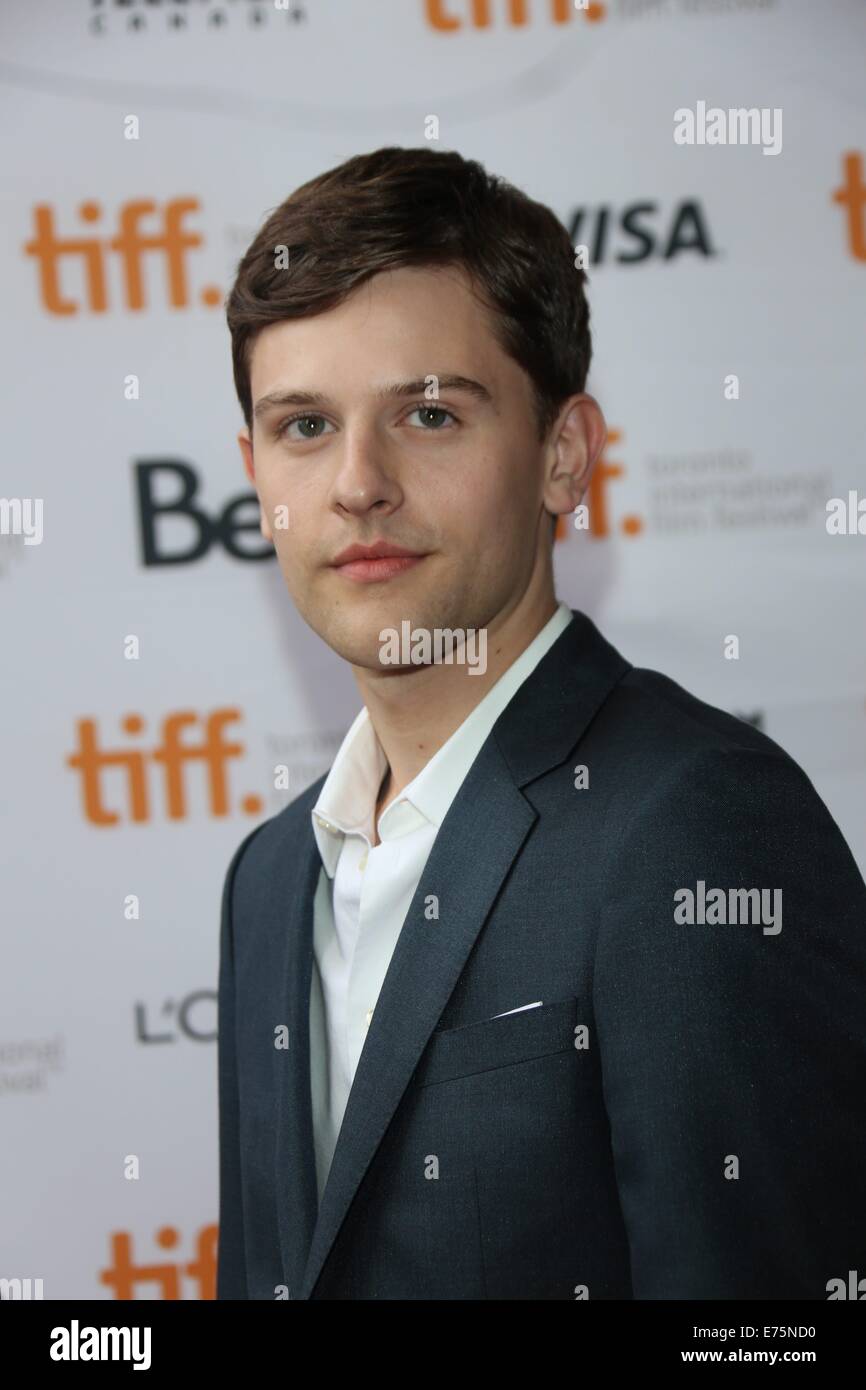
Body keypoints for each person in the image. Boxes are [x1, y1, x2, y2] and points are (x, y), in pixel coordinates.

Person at [217, 146, 866, 1300]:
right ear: (252, 469)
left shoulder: (691, 825)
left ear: (561, 455)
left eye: (426, 413)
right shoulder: (269, 881)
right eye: (304, 426)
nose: (356, 483)